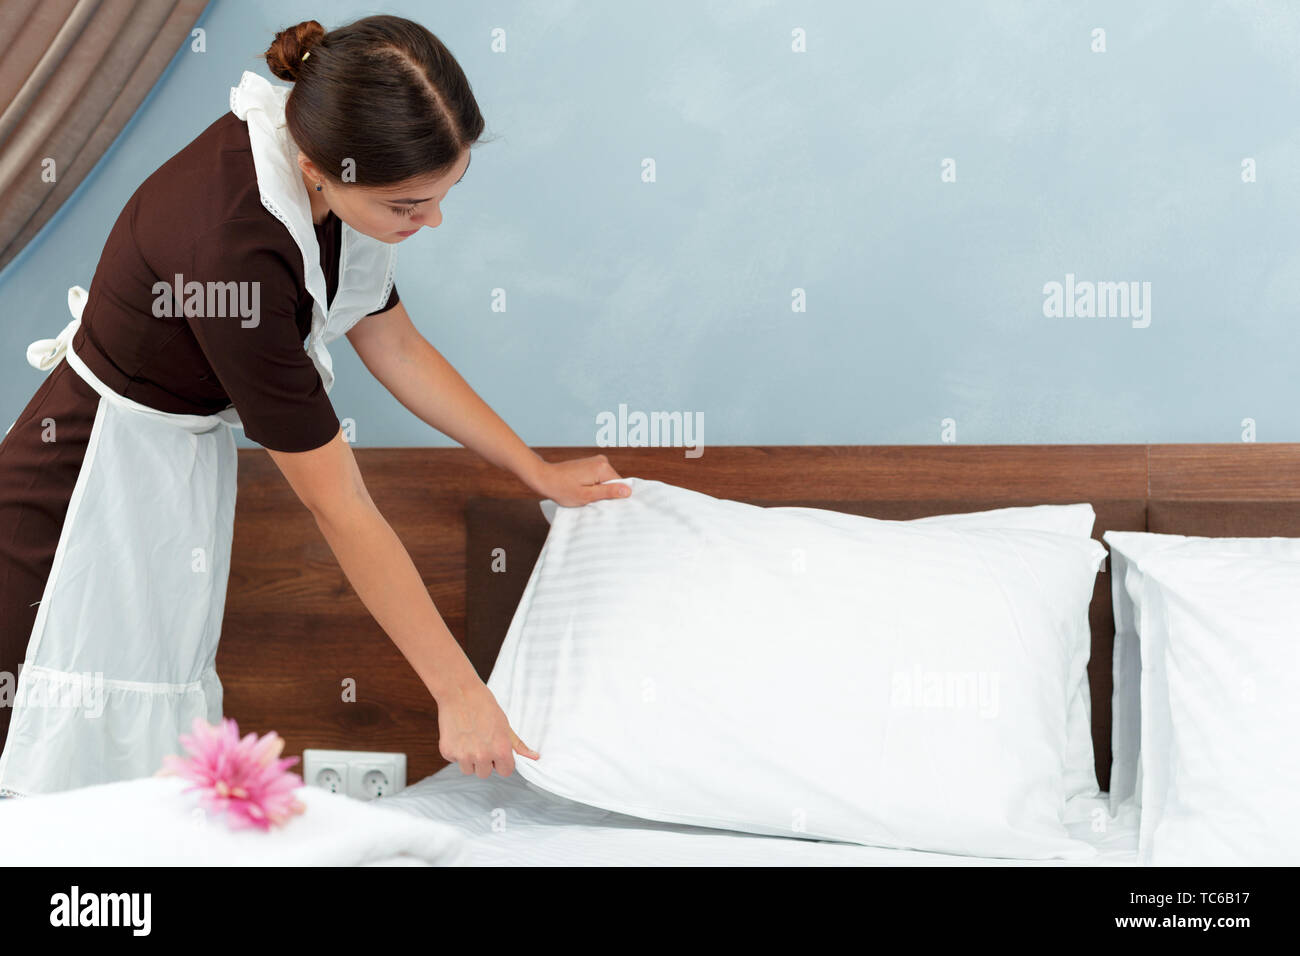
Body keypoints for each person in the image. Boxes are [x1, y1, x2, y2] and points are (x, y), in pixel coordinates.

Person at [0, 14, 630, 798]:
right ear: (319, 167)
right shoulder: (234, 253)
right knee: (44, 752)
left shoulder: (324, 177)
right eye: (409, 205)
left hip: (165, 475)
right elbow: (342, 505)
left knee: (135, 763)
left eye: (445, 191)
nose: (431, 221)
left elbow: (395, 344)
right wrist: (460, 692)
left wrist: (533, 469)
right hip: (76, 495)